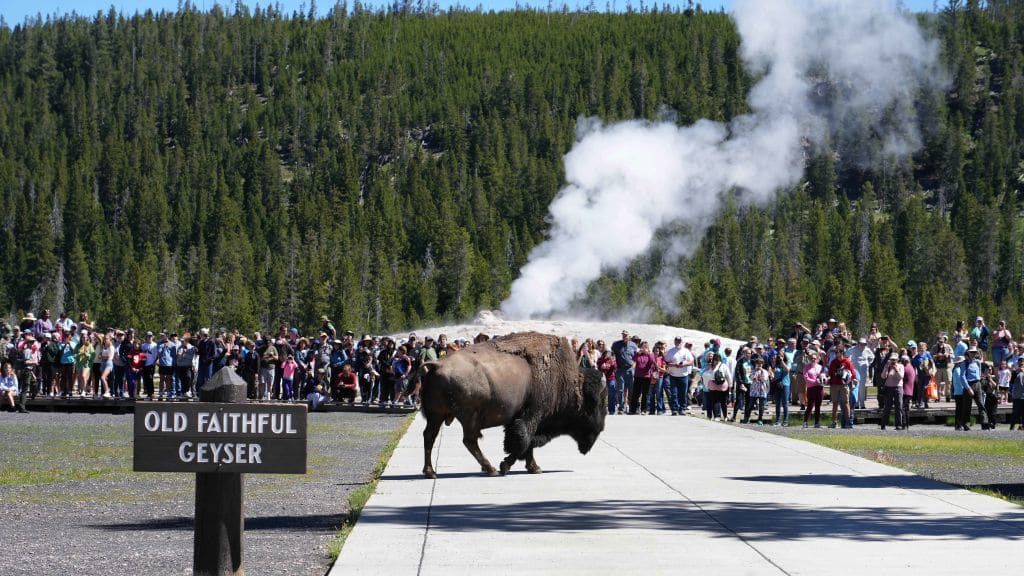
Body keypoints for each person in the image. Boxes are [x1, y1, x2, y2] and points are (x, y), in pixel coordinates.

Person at [827, 339, 856, 428]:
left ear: (842, 352)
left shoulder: (847, 362)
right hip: (834, 385)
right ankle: (834, 422)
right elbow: (830, 374)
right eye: (835, 352)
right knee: (835, 404)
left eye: (837, 352)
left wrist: (847, 379)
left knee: (846, 403)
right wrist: (829, 379)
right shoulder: (833, 362)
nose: (836, 354)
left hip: (844, 385)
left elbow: (853, 375)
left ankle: (848, 423)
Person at [664, 337, 694, 416]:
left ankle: (682, 409)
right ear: (674, 342)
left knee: (683, 393)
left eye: (679, 341)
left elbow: (691, 362)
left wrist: (683, 364)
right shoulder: (671, 351)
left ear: (682, 342)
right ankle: (674, 409)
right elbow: (666, 362)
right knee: (673, 393)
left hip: (684, 375)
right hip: (673, 375)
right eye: (676, 341)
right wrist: (674, 365)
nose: (678, 343)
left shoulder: (686, 351)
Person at [610, 331, 637, 416]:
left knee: (631, 389)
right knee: (620, 389)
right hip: (620, 370)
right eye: (623, 335)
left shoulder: (633, 345)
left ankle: (631, 407)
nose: (624, 336)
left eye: (626, 335)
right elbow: (612, 354)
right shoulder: (616, 344)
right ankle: (621, 408)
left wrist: (634, 365)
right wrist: (614, 364)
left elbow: (636, 357)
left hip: (630, 369)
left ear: (629, 336)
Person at [879, 353, 905, 430]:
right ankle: (883, 424)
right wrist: (886, 368)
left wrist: (896, 369)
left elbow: (901, 377)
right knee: (887, 407)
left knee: (899, 406)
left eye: (894, 360)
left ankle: (898, 425)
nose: (893, 361)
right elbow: (883, 376)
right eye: (891, 359)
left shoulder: (901, 366)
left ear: (897, 360)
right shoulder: (888, 366)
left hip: (898, 388)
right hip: (888, 388)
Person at [630, 341, 657, 414]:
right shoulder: (638, 354)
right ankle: (633, 410)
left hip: (646, 376)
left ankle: (643, 410)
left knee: (645, 394)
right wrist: (638, 354)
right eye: (642, 346)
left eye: (645, 346)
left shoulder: (650, 354)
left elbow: (653, 362)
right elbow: (633, 360)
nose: (644, 348)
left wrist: (649, 354)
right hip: (638, 376)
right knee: (635, 394)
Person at [703, 352, 731, 421]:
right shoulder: (710, 366)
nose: (716, 360)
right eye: (715, 359)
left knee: (723, 402)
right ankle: (717, 416)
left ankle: (725, 416)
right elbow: (705, 375)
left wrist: (730, 386)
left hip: (721, 386)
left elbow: (728, 376)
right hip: (714, 386)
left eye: (717, 359)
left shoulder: (723, 366)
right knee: (715, 401)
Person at [964, 347, 988, 429]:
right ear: (969, 353)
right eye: (971, 352)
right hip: (969, 384)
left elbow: (979, 373)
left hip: (977, 383)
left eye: (974, 352)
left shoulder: (978, 362)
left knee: (981, 404)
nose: (973, 353)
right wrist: (968, 388)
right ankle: (966, 423)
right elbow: (962, 376)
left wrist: (980, 383)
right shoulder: (965, 363)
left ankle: (984, 423)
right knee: (967, 405)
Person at [743, 357, 770, 425]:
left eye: (760, 364)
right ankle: (746, 418)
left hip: (762, 390)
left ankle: (760, 419)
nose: (759, 365)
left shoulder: (765, 371)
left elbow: (764, 379)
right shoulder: (753, 370)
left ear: (762, 364)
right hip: (754, 390)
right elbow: (750, 377)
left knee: (761, 406)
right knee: (750, 405)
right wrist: (755, 375)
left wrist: (760, 373)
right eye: (758, 363)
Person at [802, 351, 824, 428]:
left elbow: (824, 377)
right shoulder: (806, 367)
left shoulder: (820, 367)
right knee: (810, 406)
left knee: (818, 406)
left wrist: (824, 380)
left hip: (819, 388)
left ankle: (817, 422)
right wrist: (815, 382)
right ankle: (805, 422)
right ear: (809, 359)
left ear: (817, 359)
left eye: (815, 358)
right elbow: (806, 378)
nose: (813, 359)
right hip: (811, 388)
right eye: (812, 358)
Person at [850, 338, 873, 410]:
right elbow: (846, 353)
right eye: (861, 343)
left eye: (864, 344)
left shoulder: (867, 350)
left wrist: (868, 363)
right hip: (855, 368)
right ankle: (856, 404)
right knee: (856, 385)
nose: (862, 345)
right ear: (858, 343)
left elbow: (872, 357)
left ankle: (862, 403)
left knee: (862, 386)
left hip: (863, 368)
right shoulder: (853, 349)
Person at [772, 341, 791, 426]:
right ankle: (778, 420)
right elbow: (773, 373)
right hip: (777, 384)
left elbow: (787, 370)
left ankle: (785, 421)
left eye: (782, 354)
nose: (780, 356)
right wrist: (773, 364)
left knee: (785, 403)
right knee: (777, 403)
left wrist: (782, 361)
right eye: (779, 355)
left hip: (785, 384)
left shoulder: (787, 362)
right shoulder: (776, 364)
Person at [952, 355, 972, 431]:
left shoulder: (956, 369)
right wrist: (966, 389)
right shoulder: (958, 370)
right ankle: (958, 424)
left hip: (958, 392)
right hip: (960, 392)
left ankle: (959, 424)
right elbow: (960, 382)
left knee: (959, 409)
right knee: (960, 409)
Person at [933, 334, 953, 402]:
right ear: (937, 341)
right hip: (937, 367)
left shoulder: (948, 346)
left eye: (942, 341)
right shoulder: (934, 347)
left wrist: (948, 355)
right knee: (937, 383)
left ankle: (948, 396)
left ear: (944, 341)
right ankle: (938, 398)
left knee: (948, 382)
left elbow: (953, 355)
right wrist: (937, 356)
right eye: (940, 341)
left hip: (946, 367)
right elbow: (931, 355)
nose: (941, 343)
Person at [95, 334, 114, 398]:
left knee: (103, 377)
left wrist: (102, 357)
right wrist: (102, 356)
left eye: (107, 339)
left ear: (110, 340)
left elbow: (109, 357)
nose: (105, 340)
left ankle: (107, 392)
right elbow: (100, 356)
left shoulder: (111, 347)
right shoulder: (103, 347)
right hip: (102, 364)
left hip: (108, 363)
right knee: (104, 378)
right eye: (105, 339)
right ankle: (105, 393)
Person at [900, 355, 916, 429]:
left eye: (902, 361)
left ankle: (904, 424)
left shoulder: (905, 368)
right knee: (906, 408)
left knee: (903, 408)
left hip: (905, 390)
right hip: (910, 390)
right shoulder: (911, 367)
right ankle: (907, 425)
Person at [1009, 358, 1024, 431]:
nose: (1021, 364)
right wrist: (1017, 372)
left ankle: (1022, 427)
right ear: (1018, 364)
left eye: (1022, 363)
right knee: (1015, 413)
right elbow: (1011, 382)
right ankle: (1012, 427)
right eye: (1020, 363)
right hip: (1017, 396)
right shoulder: (1015, 372)